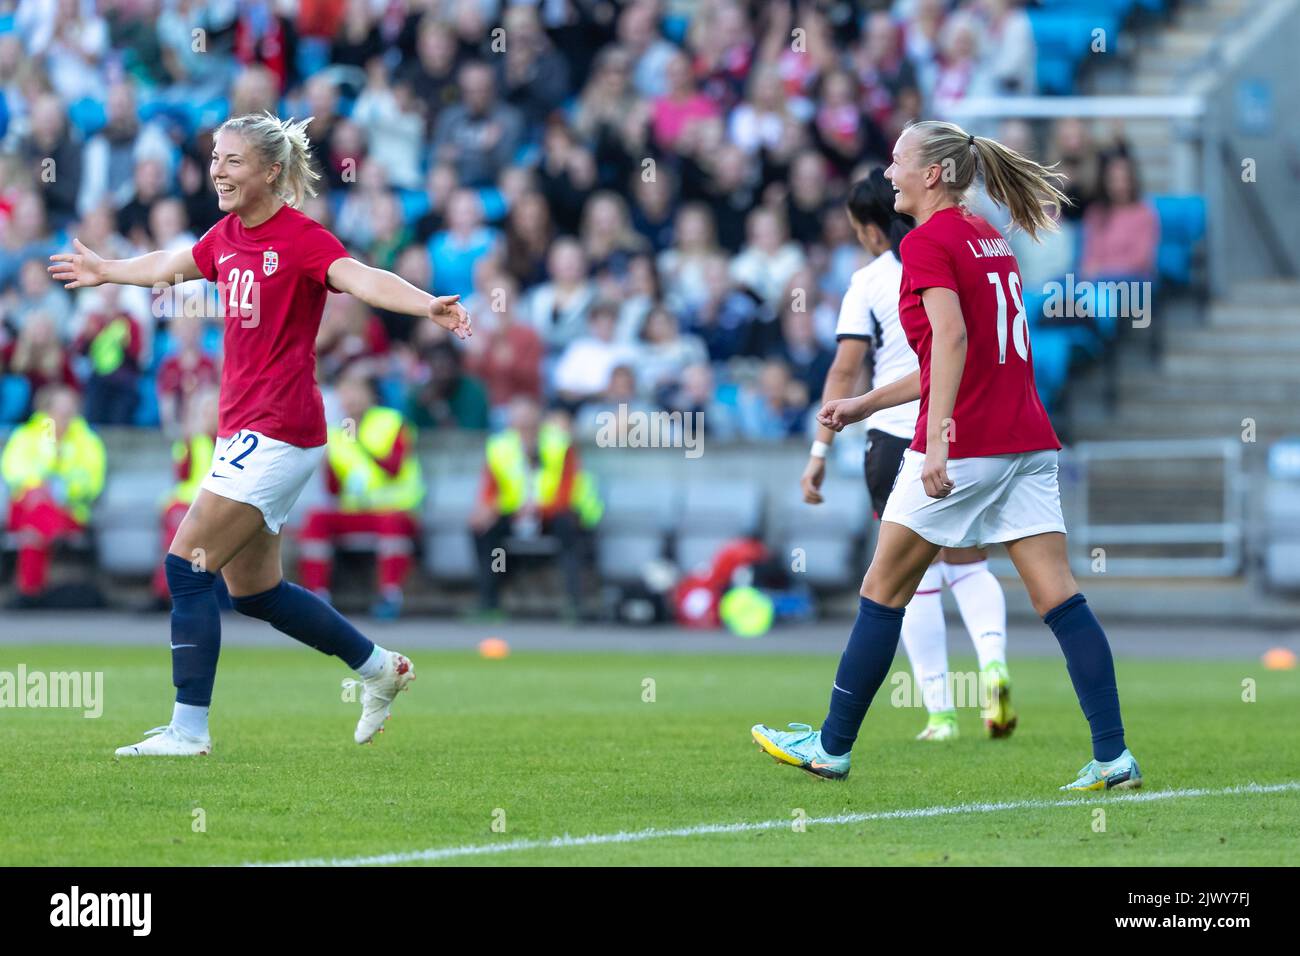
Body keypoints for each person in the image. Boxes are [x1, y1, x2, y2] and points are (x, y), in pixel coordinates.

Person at [49, 112, 471, 757]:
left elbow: (361, 278)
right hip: (245, 431)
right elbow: (173, 263)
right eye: (216, 158)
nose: (218, 170)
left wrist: (426, 303)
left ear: (271, 172)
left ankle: (188, 731)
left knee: (186, 565)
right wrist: (108, 271)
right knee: (255, 592)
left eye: (233, 161)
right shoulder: (226, 236)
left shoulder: (301, 239)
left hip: (278, 429)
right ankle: (379, 668)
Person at [753, 120, 1143, 792]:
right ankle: (1114, 757)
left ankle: (831, 747)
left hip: (971, 443)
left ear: (932, 173)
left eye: (899, 157)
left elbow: (954, 341)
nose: (890, 169)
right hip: (1026, 438)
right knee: (1060, 598)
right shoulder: (989, 236)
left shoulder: (930, 241)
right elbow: (953, 354)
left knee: (883, 589)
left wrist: (935, 442)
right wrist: (866, 406)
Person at [800, 169, 1015, 743]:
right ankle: (992, 669)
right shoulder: (962, 251)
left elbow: (846, 369)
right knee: (968, 563)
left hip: (898, 433)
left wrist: (821, 447)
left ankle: (941, 712)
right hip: (962, 426)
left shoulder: (873, 279)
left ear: (871, 231)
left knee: (903, 580)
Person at [299, 375, 424, 620]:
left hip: (395, 508)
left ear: (370, 395)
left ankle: (390, 596)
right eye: (345, 392)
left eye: (356, 390)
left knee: (392, 523)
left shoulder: (391, 422)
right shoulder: (335, 433)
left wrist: (359, 443)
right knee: (316, 520)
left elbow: (394, 468)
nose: (351, 398)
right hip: (356, 510)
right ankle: (318, 597)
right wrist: (327, 466)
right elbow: (335, 489)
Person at [469, 397, 600, 621]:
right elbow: (491, 488)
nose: (525, 432)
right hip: (515, 513)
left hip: (555, 514)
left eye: (529, 425)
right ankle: (491, 599)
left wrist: (538, 509)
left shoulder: (559, 444)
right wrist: (486, 509)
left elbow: (566, 491)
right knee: (487, 535)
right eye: (520, 426)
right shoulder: (500, 446)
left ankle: (573, 603)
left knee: (568, 532)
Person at [1, 385, 106, 606]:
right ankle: (33, 588)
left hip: (67, 510)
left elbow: (92, 482)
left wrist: (61, 491)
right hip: (28, 506)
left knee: (34, 524)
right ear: (47, 411)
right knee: (37, 505)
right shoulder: (27, 436)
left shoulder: (87, 441)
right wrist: (50, 451)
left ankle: (29, 593)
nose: (64, 418)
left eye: (70, 412)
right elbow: (12, 471)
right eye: (59, 412)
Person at [151, 388, 220, 607]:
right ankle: (166, 591)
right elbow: (181, 474)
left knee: (191, 536)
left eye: (214, 410)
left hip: (215, 505)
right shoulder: (191, 441)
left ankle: (183, 591)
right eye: (206, 411)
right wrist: (188, 441)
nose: (210, 416)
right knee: (178, 531)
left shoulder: (231, 443)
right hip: (188, 503)